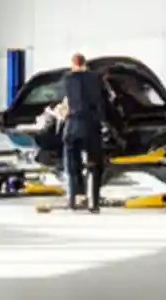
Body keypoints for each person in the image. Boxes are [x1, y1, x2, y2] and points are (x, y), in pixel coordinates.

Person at [62, 53, 105, 213]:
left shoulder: (67, 79)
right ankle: (94, 204)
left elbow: (66, 102)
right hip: (92, 126)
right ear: (85, 63)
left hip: (73, 125)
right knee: (94, 165)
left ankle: (73, 200)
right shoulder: (96, 78)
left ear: (73, 64)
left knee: (72, 165)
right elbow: (102, 102)